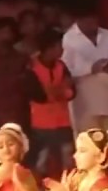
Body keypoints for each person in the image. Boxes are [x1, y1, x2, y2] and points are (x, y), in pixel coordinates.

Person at [62, 10, 108, 136]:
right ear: (79, 20)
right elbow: (64, 71)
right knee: (91, 147)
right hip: (85, 106)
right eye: (88, 19)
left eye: (95, 19)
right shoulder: (68, 39)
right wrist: (90, 68)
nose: (92, 23)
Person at [24, 29, 76, 173]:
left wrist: (54, 91)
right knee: (43, 162)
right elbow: (39, 96)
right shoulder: (31, 68)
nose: (62, 49)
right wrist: (62, 89)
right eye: (59, 46)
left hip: (63, 122)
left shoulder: (62, 66)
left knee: (68, 161)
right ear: (49, 48)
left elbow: (72, 92)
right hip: (42, 125)